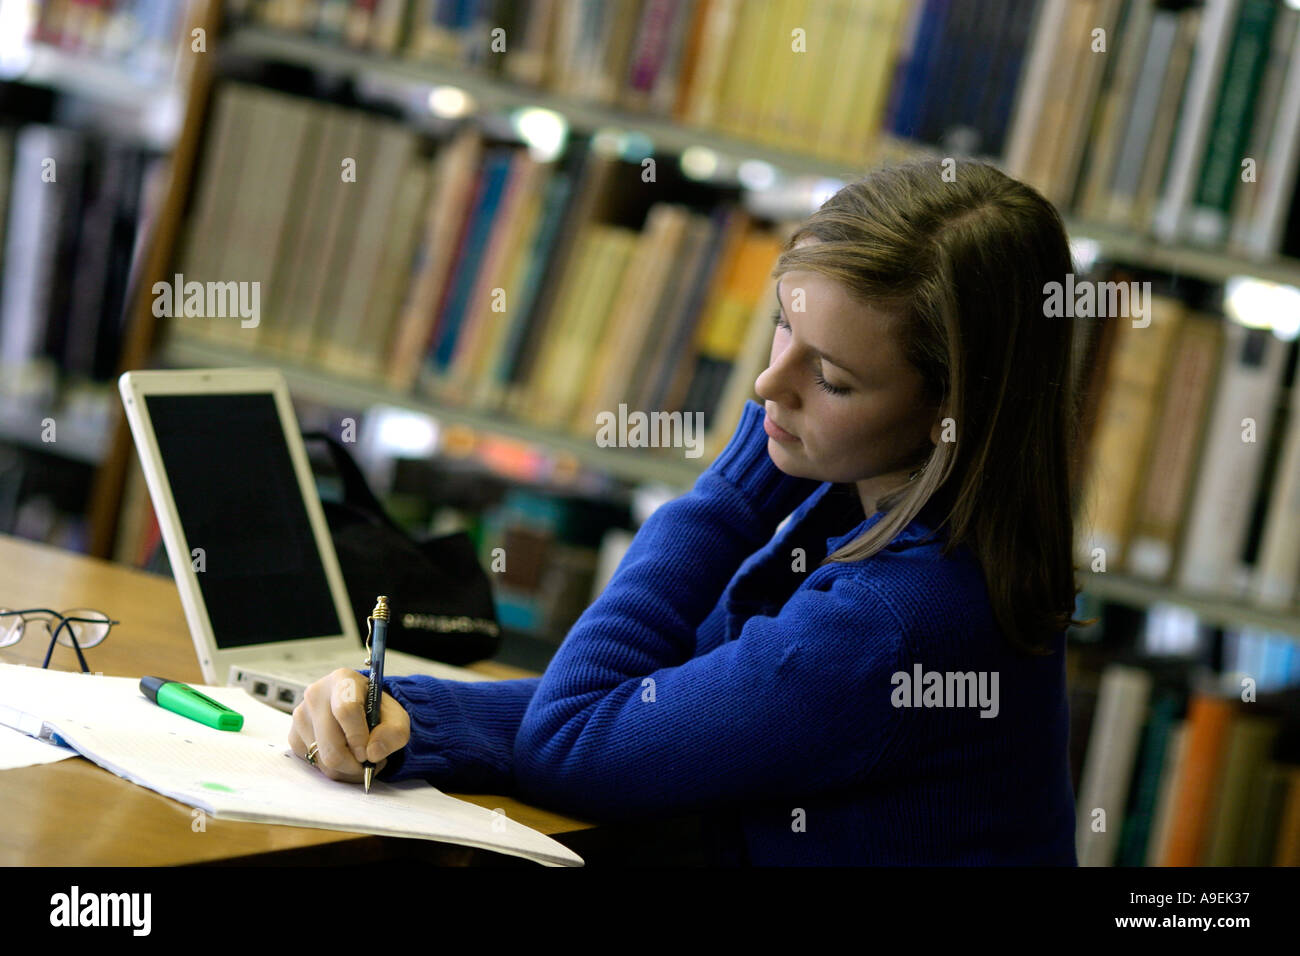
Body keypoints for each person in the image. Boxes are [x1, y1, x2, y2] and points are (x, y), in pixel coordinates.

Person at [288, 158, 1087, 865]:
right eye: (783, 327)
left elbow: (572, 737)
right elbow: (663, 703)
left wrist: (732, 494)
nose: (769, 385)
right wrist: (404, 714)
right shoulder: (900, 526)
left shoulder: (895, 619)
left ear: (952, 412)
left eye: (834, 378)